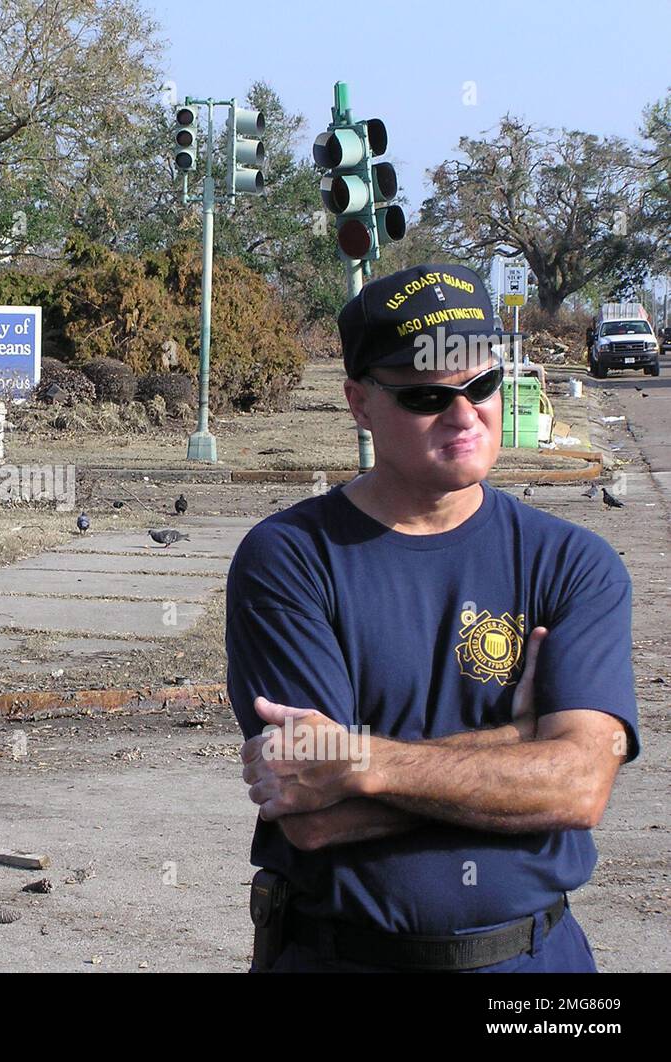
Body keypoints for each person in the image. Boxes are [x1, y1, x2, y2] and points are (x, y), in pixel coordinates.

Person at [227, 264, 639, 973]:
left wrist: (364, 762)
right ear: (359, 403)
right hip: (345, 957)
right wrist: (525, 743)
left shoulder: (573, 562)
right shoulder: (290, 560)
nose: (463, 414)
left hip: (535, 963)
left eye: (481, 385)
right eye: (424, 396)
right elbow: (314, 814)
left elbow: (580, 786)